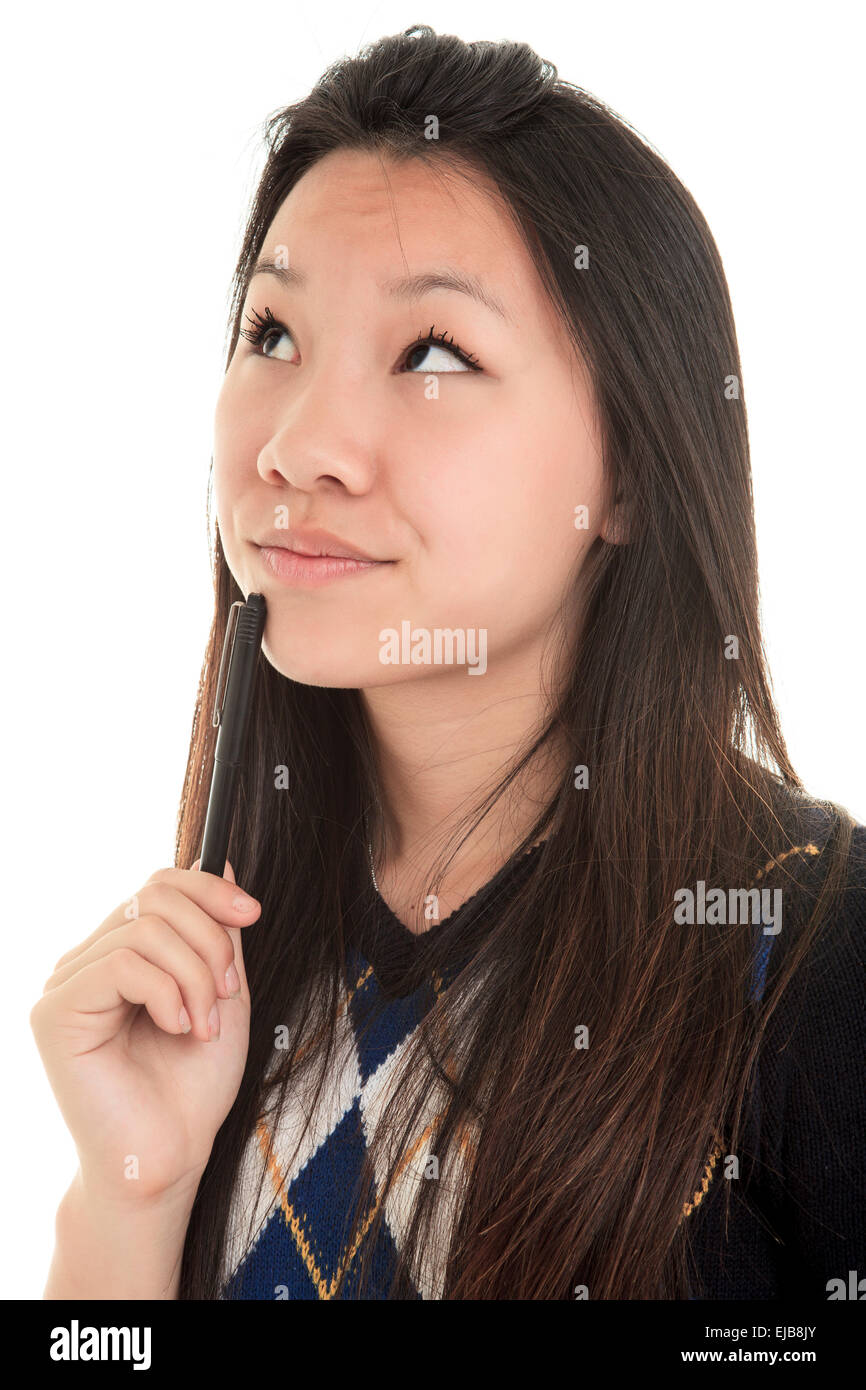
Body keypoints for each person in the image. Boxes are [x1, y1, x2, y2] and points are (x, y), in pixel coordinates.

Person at [32, 24, 865, 1301]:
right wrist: (128, 1191)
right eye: (270, 332)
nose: (298, 448)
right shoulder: (226, 957)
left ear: (631, 471)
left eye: (431, 353)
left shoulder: (805, 950)